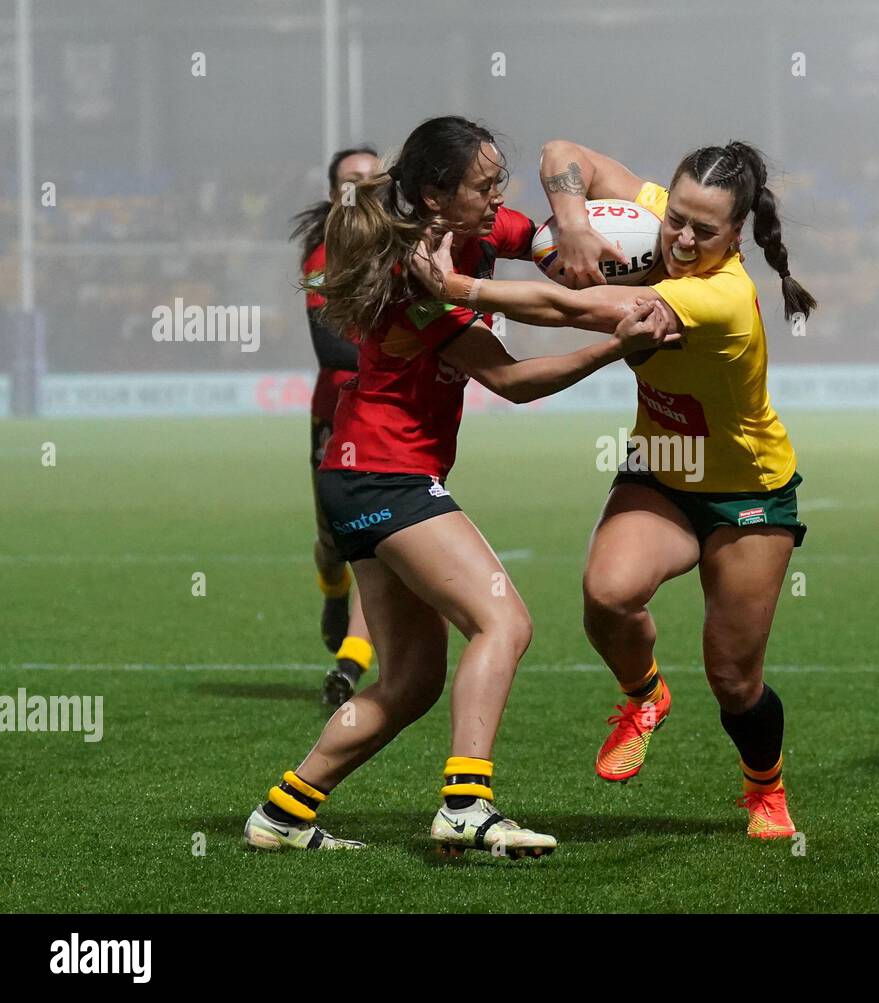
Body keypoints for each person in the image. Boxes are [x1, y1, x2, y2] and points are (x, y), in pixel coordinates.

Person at [244, 116, 675, 854]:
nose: (495, 194)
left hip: (360, 476)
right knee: (504, 622)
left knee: (409, 683)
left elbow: (538, 234)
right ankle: (466, 805)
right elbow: (511, 379)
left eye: (498, 179)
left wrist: (572, 236)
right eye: (482, 184)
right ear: (437, 195)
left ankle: (282, 814)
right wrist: (619, 342)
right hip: (386, 475)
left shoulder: (468, 225)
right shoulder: (414, 272)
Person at [412, 137, 814, 839]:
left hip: (747, 491)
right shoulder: (660, 215)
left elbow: (567, 310)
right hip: (660, 465)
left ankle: (764, 785)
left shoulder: (716, 299)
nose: (682, 238)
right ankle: (644, 694)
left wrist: (462, 290)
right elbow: (563, 152)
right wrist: (570, 216)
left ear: (737, 234)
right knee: (606, 594)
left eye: (704, 230)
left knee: (733, 679)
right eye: (676, 219)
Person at [291, 146, 381, 706]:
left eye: (375, 180)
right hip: (337, 415)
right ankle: (331, 588)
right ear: (334, 194)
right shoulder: (326, 254)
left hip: (396, 421)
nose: (364, 189)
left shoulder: (410, 245)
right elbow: (331, 347)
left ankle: (350, 665)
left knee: (377, 542)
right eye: (352, 181)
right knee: (333, 545)